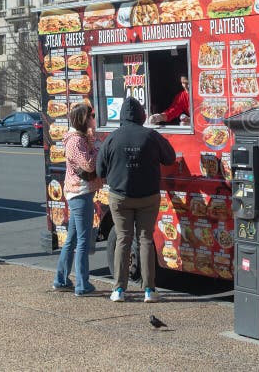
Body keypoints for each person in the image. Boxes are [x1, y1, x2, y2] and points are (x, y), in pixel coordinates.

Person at [97, 97, 176, 303]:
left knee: (123, 240)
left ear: (122, 116)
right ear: (142, 115)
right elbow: (170, 157)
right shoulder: (151, 135)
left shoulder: (112, 138)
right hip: (148, 197)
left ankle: (118, 290)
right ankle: (149, 290)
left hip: (120, 197)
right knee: (145, 240)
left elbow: (100, 170)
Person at [52, 103, 102, 296]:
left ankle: (61, 280)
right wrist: (97, 149)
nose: (93, 118)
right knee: (82, 240)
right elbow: (89, 165)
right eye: (91, 115)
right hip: (79, 193)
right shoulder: (75, 141)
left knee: (72, 239)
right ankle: (82, 285)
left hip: (78, 192)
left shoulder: (80, 138)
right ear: (83, 118)